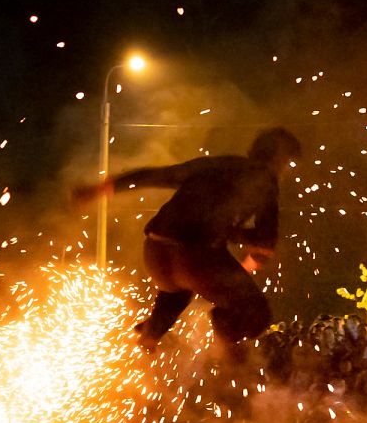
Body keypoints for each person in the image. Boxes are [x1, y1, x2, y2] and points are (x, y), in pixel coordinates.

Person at [72, 127, 301, 364]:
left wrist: (99, 189)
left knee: (179, 291)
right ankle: (226, 359)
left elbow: (157, 176)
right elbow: (265, 241)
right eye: (285, 163)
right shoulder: (265, 180)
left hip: (156, 253)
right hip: (194, 257)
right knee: (255, 312)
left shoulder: (218, 164)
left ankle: (151, 335)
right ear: (279, 159)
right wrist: (240, 243)